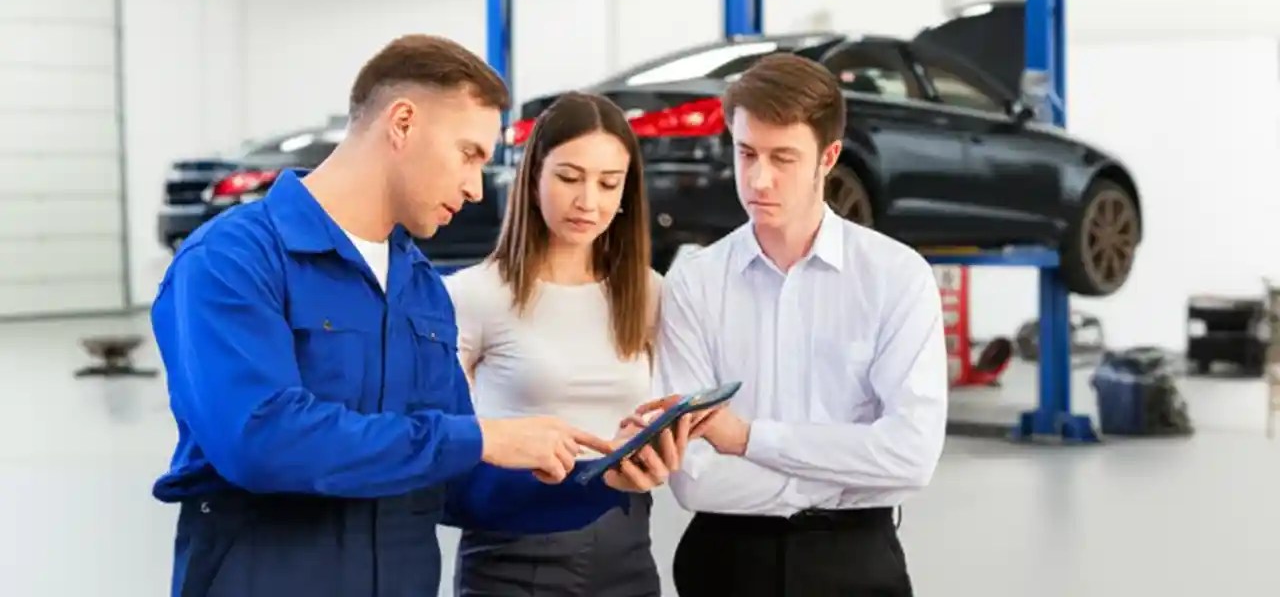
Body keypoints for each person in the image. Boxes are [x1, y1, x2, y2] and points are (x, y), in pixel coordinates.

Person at [148, 35, 687, 597]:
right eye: (470, 154)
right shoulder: (233, 259)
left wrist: (599, 480)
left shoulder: (421, 289)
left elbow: (456, 485)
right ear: (402, 123)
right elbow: (259, 440)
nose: (478, 188)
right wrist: (478, 437)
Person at [648, 53, 949, 597]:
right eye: (747, 154)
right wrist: (840, 477)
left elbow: (912, 455)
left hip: (857, 565)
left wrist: (746, 439)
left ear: (828, 156)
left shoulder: (896, 278)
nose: (760, 179)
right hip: (725, 563)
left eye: (783, 157)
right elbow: (692, 477)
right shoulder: (693, 283)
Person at [445, 91, 691, 597]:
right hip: (511, 555)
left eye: (608, 183)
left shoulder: (648, 294)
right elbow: (437, 432)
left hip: (626, 552)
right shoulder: (474, 294)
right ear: (533, 176)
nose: (588, 202)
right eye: (569, 177)